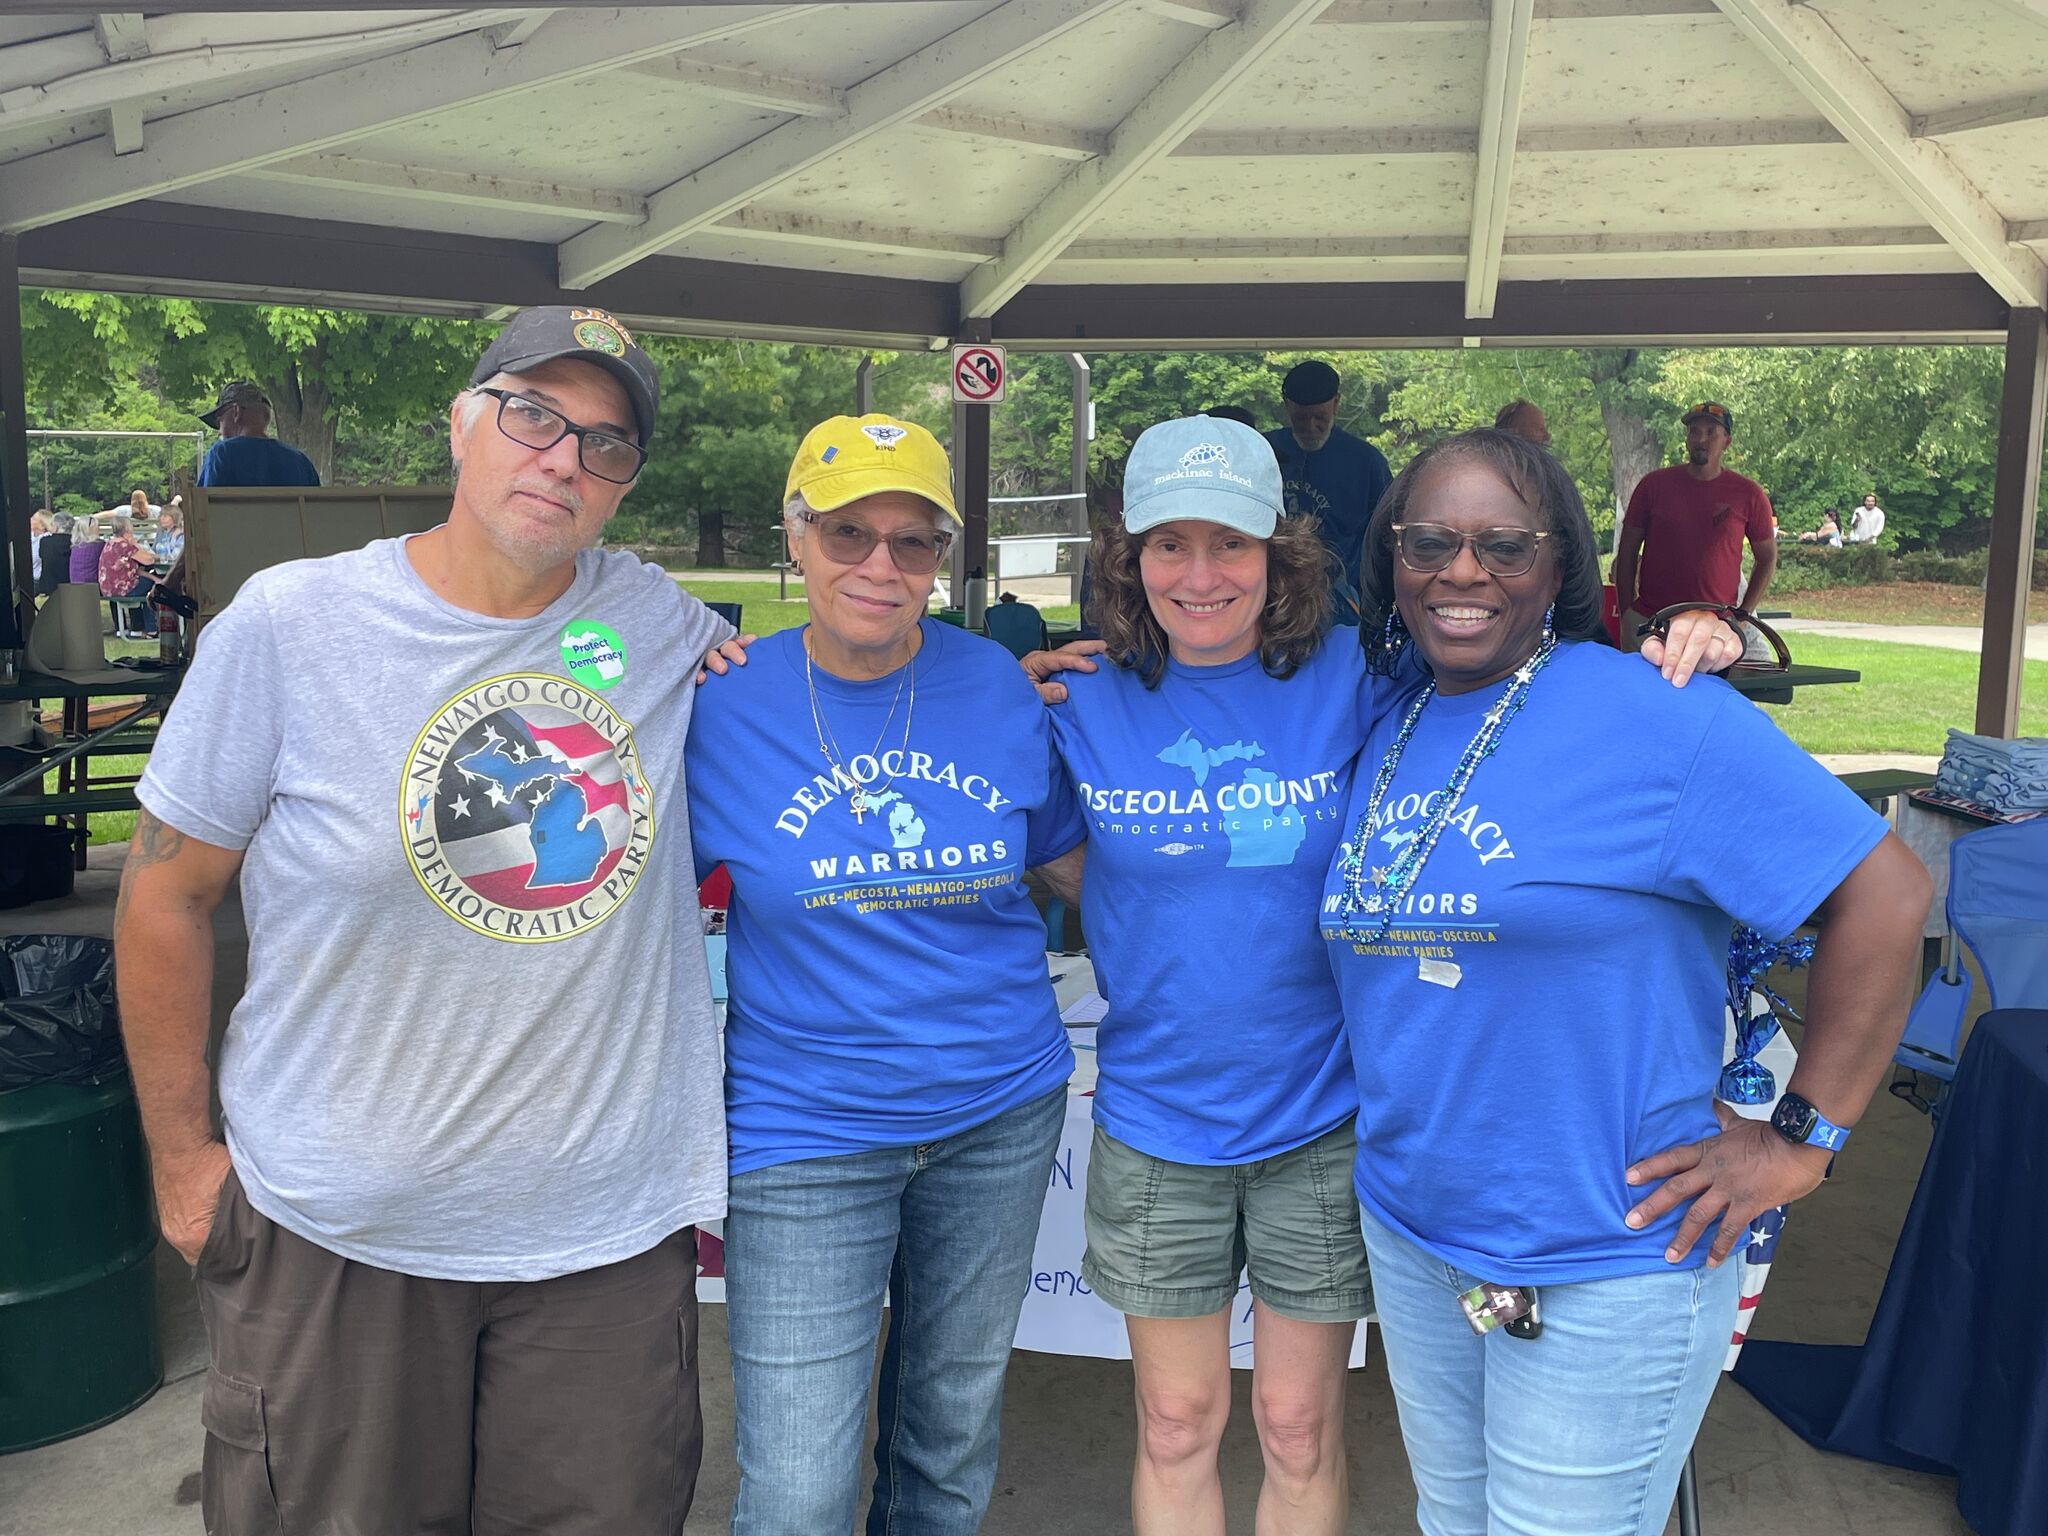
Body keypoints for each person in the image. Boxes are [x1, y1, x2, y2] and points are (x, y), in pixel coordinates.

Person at [1025, 420, 1741, 1536]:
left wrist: (1691, 627)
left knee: (1299, 1430)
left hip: (1323, 1119)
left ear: (1280, 551)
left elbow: (1512, 657)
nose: (1200, 574)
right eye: (1169, 544)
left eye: (1231, 543)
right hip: (1156, 1122)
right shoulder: (1080, 700)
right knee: (1172, 1423)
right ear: (1129, 556)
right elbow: (1057, 852)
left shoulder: (1363, 676)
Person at [116, 306, 732, 1535]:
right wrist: (184, 1167)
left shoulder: (658, 622)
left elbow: (826, 682)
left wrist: (977, 689)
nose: (563, 457)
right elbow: (164, 895)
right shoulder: (291, 628)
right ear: (461, 425)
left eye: (605, 443)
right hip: (339, 1232)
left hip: (603, 1240)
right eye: (533, 415)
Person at [1321, 428, 1928, 1536]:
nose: (1462, 573)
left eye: (1504, 545)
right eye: (1428, 543)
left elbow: (1883, 896)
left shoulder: (1655, 712)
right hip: (1415, 1234)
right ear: (1391, 560)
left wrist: (1800, 1140)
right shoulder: (1386, 717)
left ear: (1559, 567)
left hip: (1606, 1251)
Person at [684, 414, 1087, 1536]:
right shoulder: (714, 701)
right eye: (848, 531)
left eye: (913, 543)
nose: (880, 564)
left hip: (998, 1110)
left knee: (947, 1443)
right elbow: (623, 903)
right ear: (795, 538)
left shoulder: (998, 687)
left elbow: (1067, 862)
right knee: (800, 1488)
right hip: (804, 1129)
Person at [1611, 401, 1777, 650]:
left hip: (1714, 627)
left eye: (1712, 433)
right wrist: (1626, 612)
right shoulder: (1653, 486)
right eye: (1695, 431)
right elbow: (1627, 552)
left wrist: (1742, 615)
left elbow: (1767, 558)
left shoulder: (1748, 494)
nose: (1702, 439)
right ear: (1687, 439)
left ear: (1726, 442)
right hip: (1651, 622)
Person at [1265, 360, 1392, 626]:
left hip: (1343, 602)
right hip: (1271, 597)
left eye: (1320, 417)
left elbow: (1386, 538)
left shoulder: (1366, 462)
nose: (1310, 427)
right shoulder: (1263, 452)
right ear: (1287, 405)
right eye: (1301, 418)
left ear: (1336, 404)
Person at [196, 380, 321, 488]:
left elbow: (203, 509)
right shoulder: (301, 462)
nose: (219, 431)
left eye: (219, 421)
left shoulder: (221, 454)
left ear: (236, 412)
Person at [96, 512, 154, 636]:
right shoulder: (125, 546)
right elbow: (149, 560)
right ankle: (151, 628)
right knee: (153, 587)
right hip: (123, 589)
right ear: (127, 529)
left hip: (108, 588)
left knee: (145, 581)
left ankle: (136, 628)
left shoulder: (109, 544)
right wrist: (135, 544)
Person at [35, 511, 73, 598]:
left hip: (47, 587)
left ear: (55, 527)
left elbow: (41, 555)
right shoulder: (75, 543)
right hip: (69, 585)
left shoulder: (45, 542)